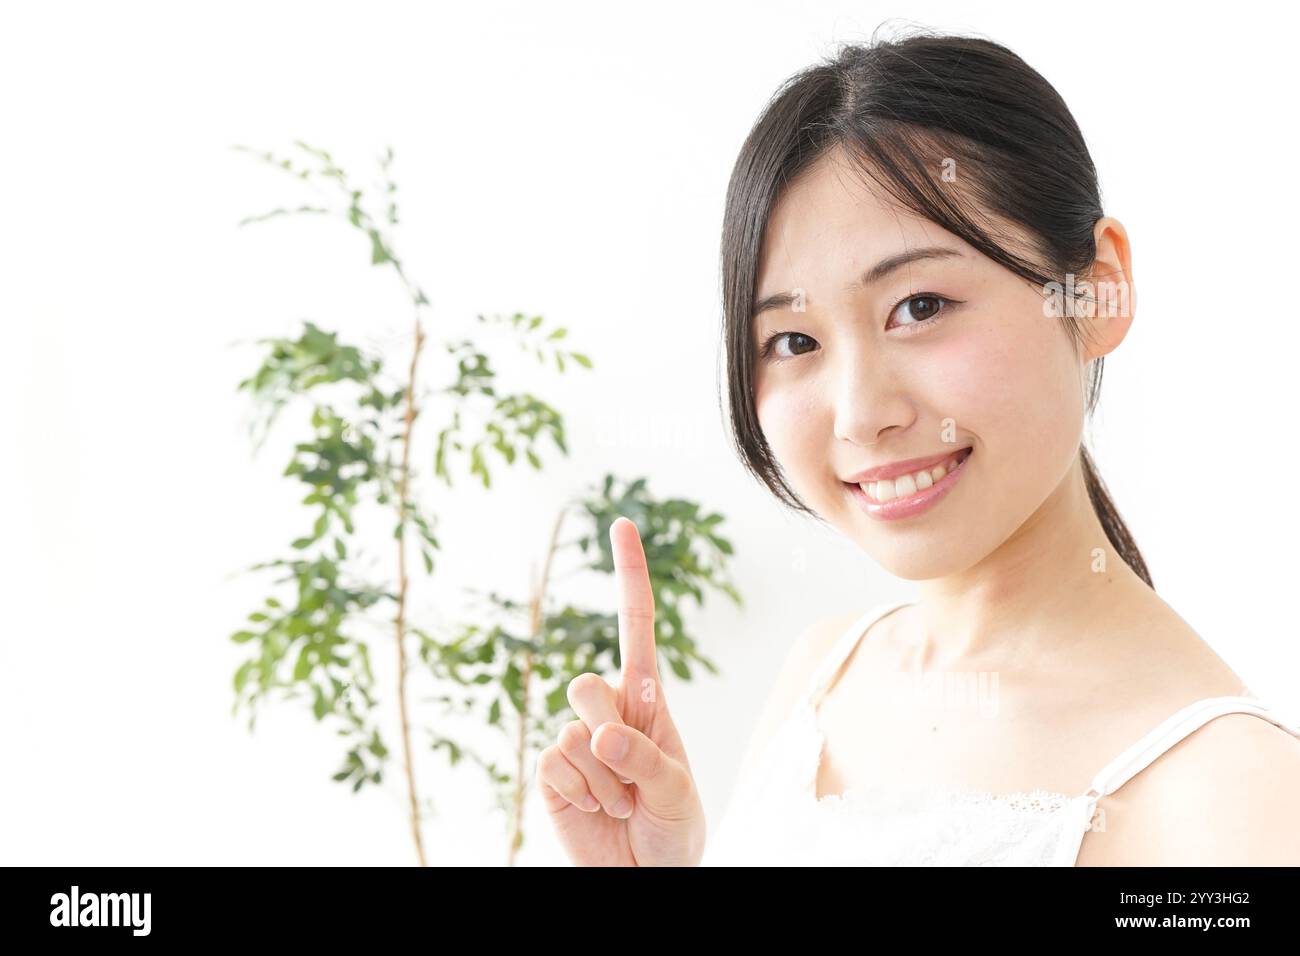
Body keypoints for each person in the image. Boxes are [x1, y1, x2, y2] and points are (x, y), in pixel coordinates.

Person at [534, 29, 1300, 866]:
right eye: (793, 342)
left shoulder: (1232, 798)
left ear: (1096, 288)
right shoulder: (823, 675)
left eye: (922, 306)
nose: (860, 416)